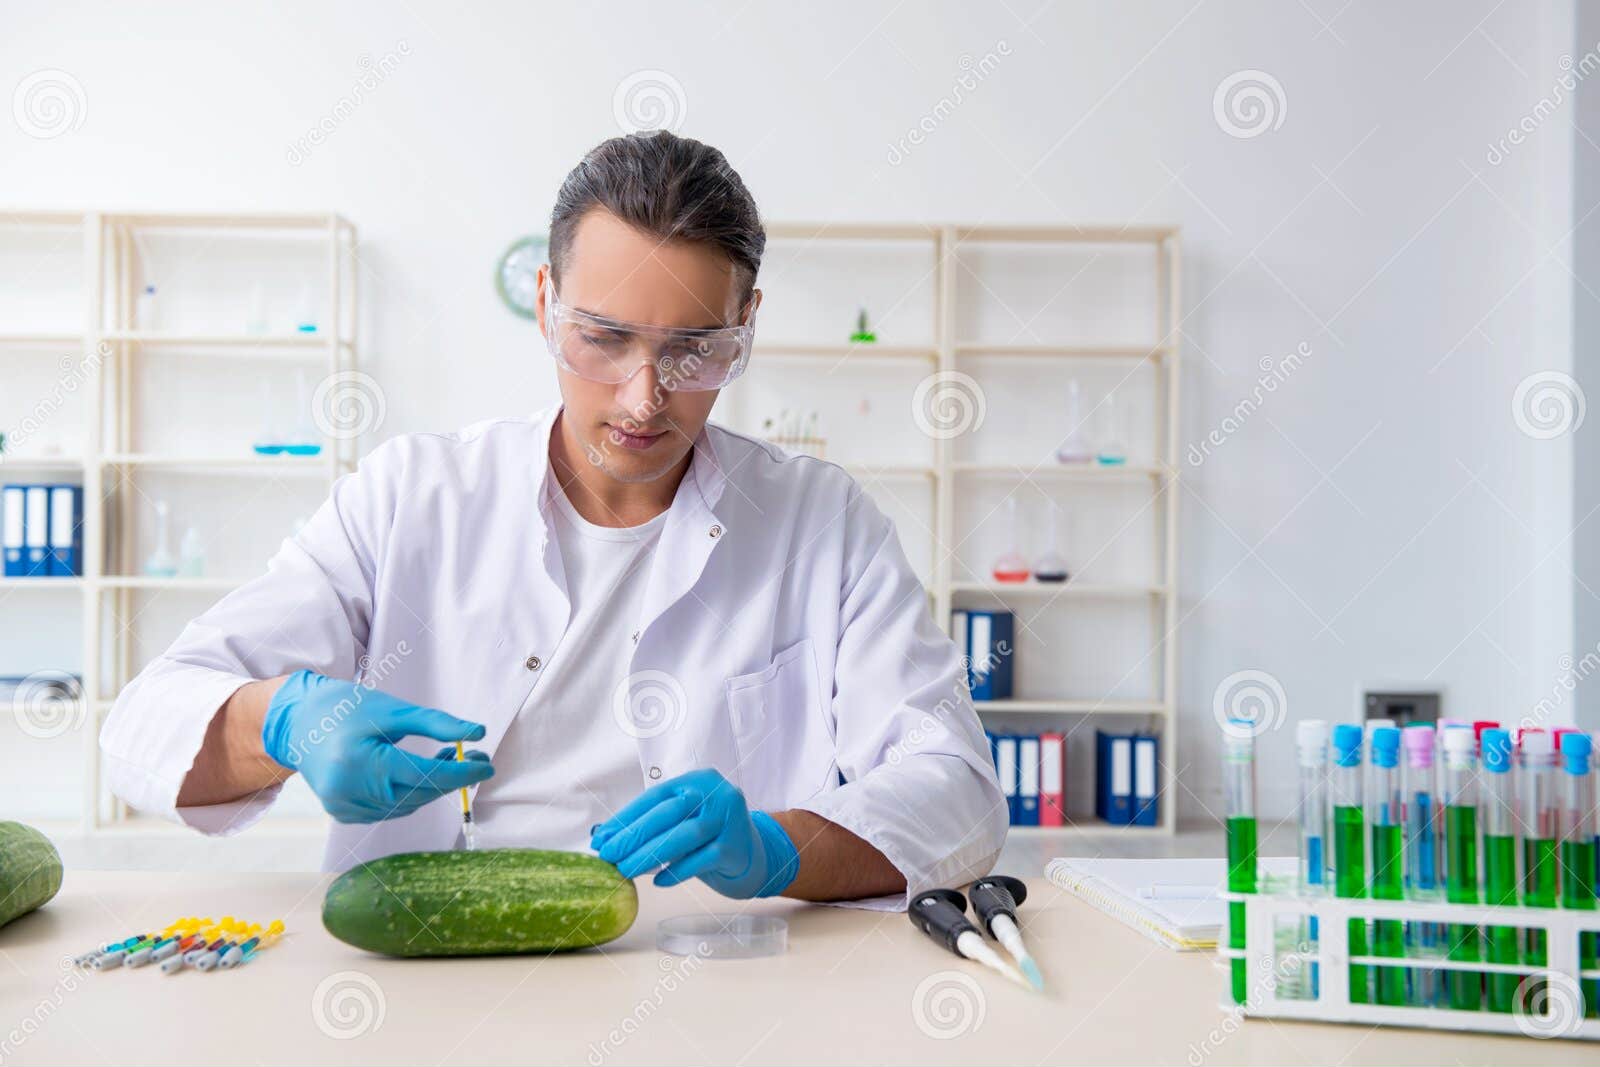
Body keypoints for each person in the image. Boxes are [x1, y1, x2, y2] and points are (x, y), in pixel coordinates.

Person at [101, 131, 1005, 908]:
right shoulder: (414, 497)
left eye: (695, 350)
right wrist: (280, 723)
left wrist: (776, 848)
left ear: (746, 328)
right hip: (433, 970)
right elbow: (145, 723)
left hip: (718, 982)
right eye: (604, 338)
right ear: (544, 304)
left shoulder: (821, 523)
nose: (643, 398)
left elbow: (956, 790)